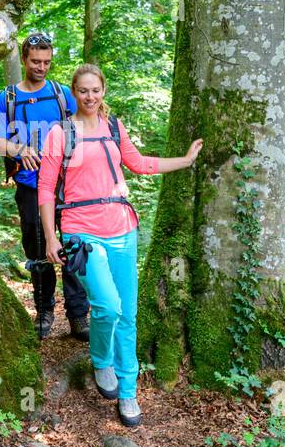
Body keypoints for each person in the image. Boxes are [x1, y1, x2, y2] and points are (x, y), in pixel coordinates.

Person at [37, 64, 202, 428]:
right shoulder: (59, 134)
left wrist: (186, 161)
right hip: (80, 231)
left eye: (96, 90)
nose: (90, 97)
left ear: (103, 91)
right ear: (74, 94)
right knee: (107, 306)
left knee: (127, 315)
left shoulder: (114, 127)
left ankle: (128, 392)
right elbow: (46, 189)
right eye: (83, 91)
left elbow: (140, 164)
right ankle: (101, 360)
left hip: (123, 229)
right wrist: (51, 236)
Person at [0, 33, 90, 340]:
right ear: (24, 59)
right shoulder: (7, 98)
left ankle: (77, 315)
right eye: (35, 62)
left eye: (46, 62)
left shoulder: (61, 94)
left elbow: (84, 124)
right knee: (37, 249)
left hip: (66, 185)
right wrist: (20, 150)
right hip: (30, 186)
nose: (42, 67)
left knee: (74, 246)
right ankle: (44, 311)